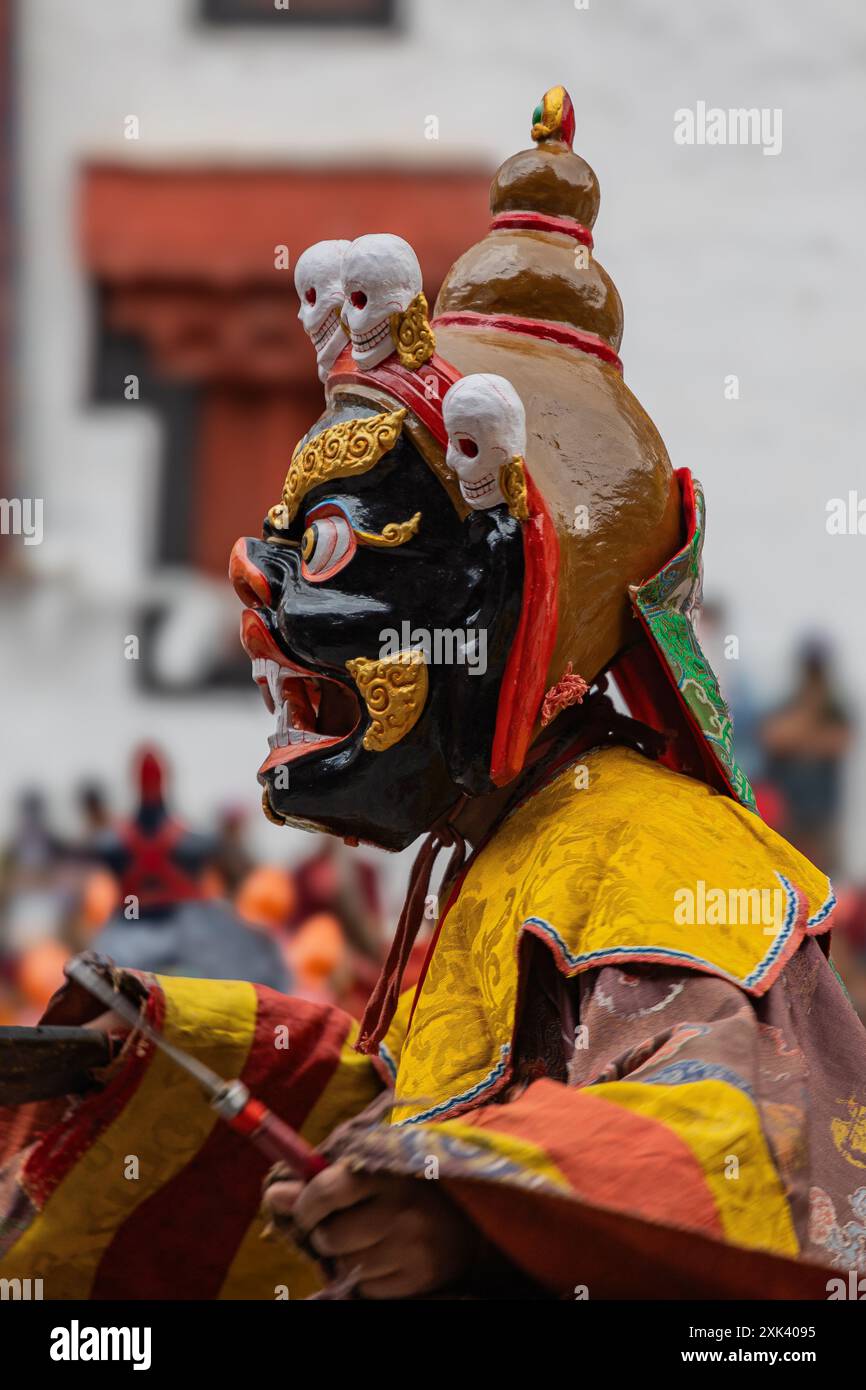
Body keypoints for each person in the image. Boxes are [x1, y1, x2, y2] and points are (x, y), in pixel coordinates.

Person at [1, 86, 864, 1301]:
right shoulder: (493, 844)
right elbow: (406, 1099)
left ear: (520, 604)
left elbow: (754, 1144)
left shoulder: (646, 850)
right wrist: (150, 1055)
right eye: (281, 534)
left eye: (340, 548)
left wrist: (464, 1212)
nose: (261, 584)